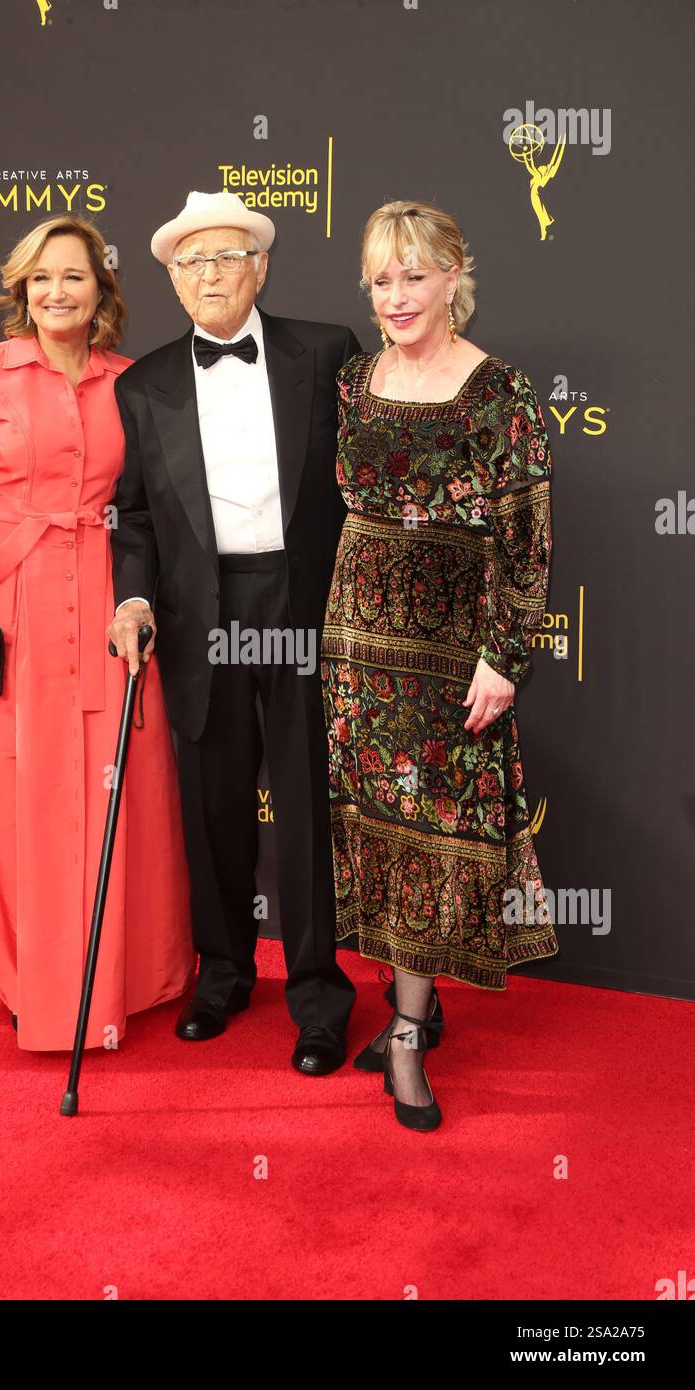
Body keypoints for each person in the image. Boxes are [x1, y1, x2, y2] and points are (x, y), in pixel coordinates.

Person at [0, 215, 195, 1051]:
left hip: (106, 600)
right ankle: (32, 981)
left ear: (102, 290)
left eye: (74, 276)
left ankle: (121, 973)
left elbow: (147, 505)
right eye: (42, 277)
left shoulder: (132, 381)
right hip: (5, 603)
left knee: (111, 790)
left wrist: (145, 598)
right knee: (21, 797)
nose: (57, 291)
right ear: (22, 289)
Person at [108, 190, 361, 1074]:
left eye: (226, 257)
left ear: (262, 268)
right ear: (173, 281)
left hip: (302, 600)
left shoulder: (326, 351)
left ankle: (319, 993)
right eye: (191, 262)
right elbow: (134, 514)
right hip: (199, 612)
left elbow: (365, 480)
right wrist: (132, 600)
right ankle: (221, 974)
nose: (209, 275)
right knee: (213, 803)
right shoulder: (142, 385)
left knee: (306, 799)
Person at [320, 199, 558, 1129]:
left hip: (452, 649)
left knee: (431, 828)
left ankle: (409, 1039)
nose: (397, 296)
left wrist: (505, 656)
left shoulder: (500, 391)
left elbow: (527, 537)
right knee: (377, 826)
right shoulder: (354, 380)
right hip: (355, 639)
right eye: (381, 280)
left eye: (414, 276)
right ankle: (408, 1003)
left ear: (455, 277)